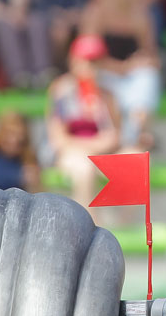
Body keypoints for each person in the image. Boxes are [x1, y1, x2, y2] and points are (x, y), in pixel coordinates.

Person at [81, 0, 161, 150]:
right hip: (102, 73)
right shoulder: (96, 12)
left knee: (147, 77)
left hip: (129, 76)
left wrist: (141, 62)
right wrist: (122, 67)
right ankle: (125, 139)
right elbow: (84, 57)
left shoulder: (142, 15)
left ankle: (138, 133)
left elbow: (151, 55)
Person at [46, 34, 121, 212]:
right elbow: (59, 140)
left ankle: (125, 224)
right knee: (85, 168)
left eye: (96, 61)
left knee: (133, 162)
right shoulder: (62, 91)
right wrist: (93, 146)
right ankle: (88, 224)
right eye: (87, 60)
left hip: (100, 152)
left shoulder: (107, 95)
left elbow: (115, 136)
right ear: (74, 61)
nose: (92, 67)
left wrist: (97, 146)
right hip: (70, 154)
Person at [0, 110, 42, 192]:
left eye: (19, 135)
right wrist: (19, 177)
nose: (14, 140)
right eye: (10, 133)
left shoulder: (28, 159)